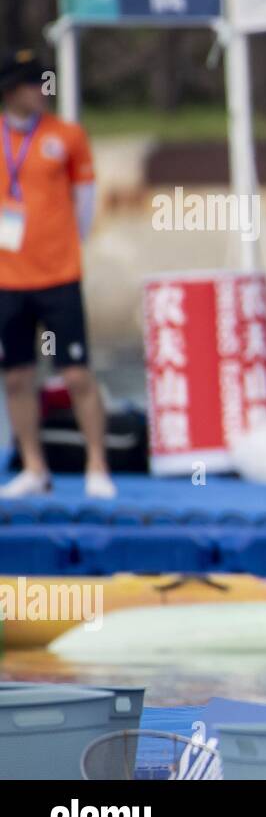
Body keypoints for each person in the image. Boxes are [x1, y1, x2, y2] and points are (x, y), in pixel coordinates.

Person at [0, 48, 115, 499]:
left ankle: (98, 464)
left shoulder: (66, 136)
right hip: (9, 279)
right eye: (32, 83)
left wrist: (66, 246)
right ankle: (33, 466)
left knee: (76, 375)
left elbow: (84, 201)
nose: (41, 90)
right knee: (16, 376)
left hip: (59, 274)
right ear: (11, 90)